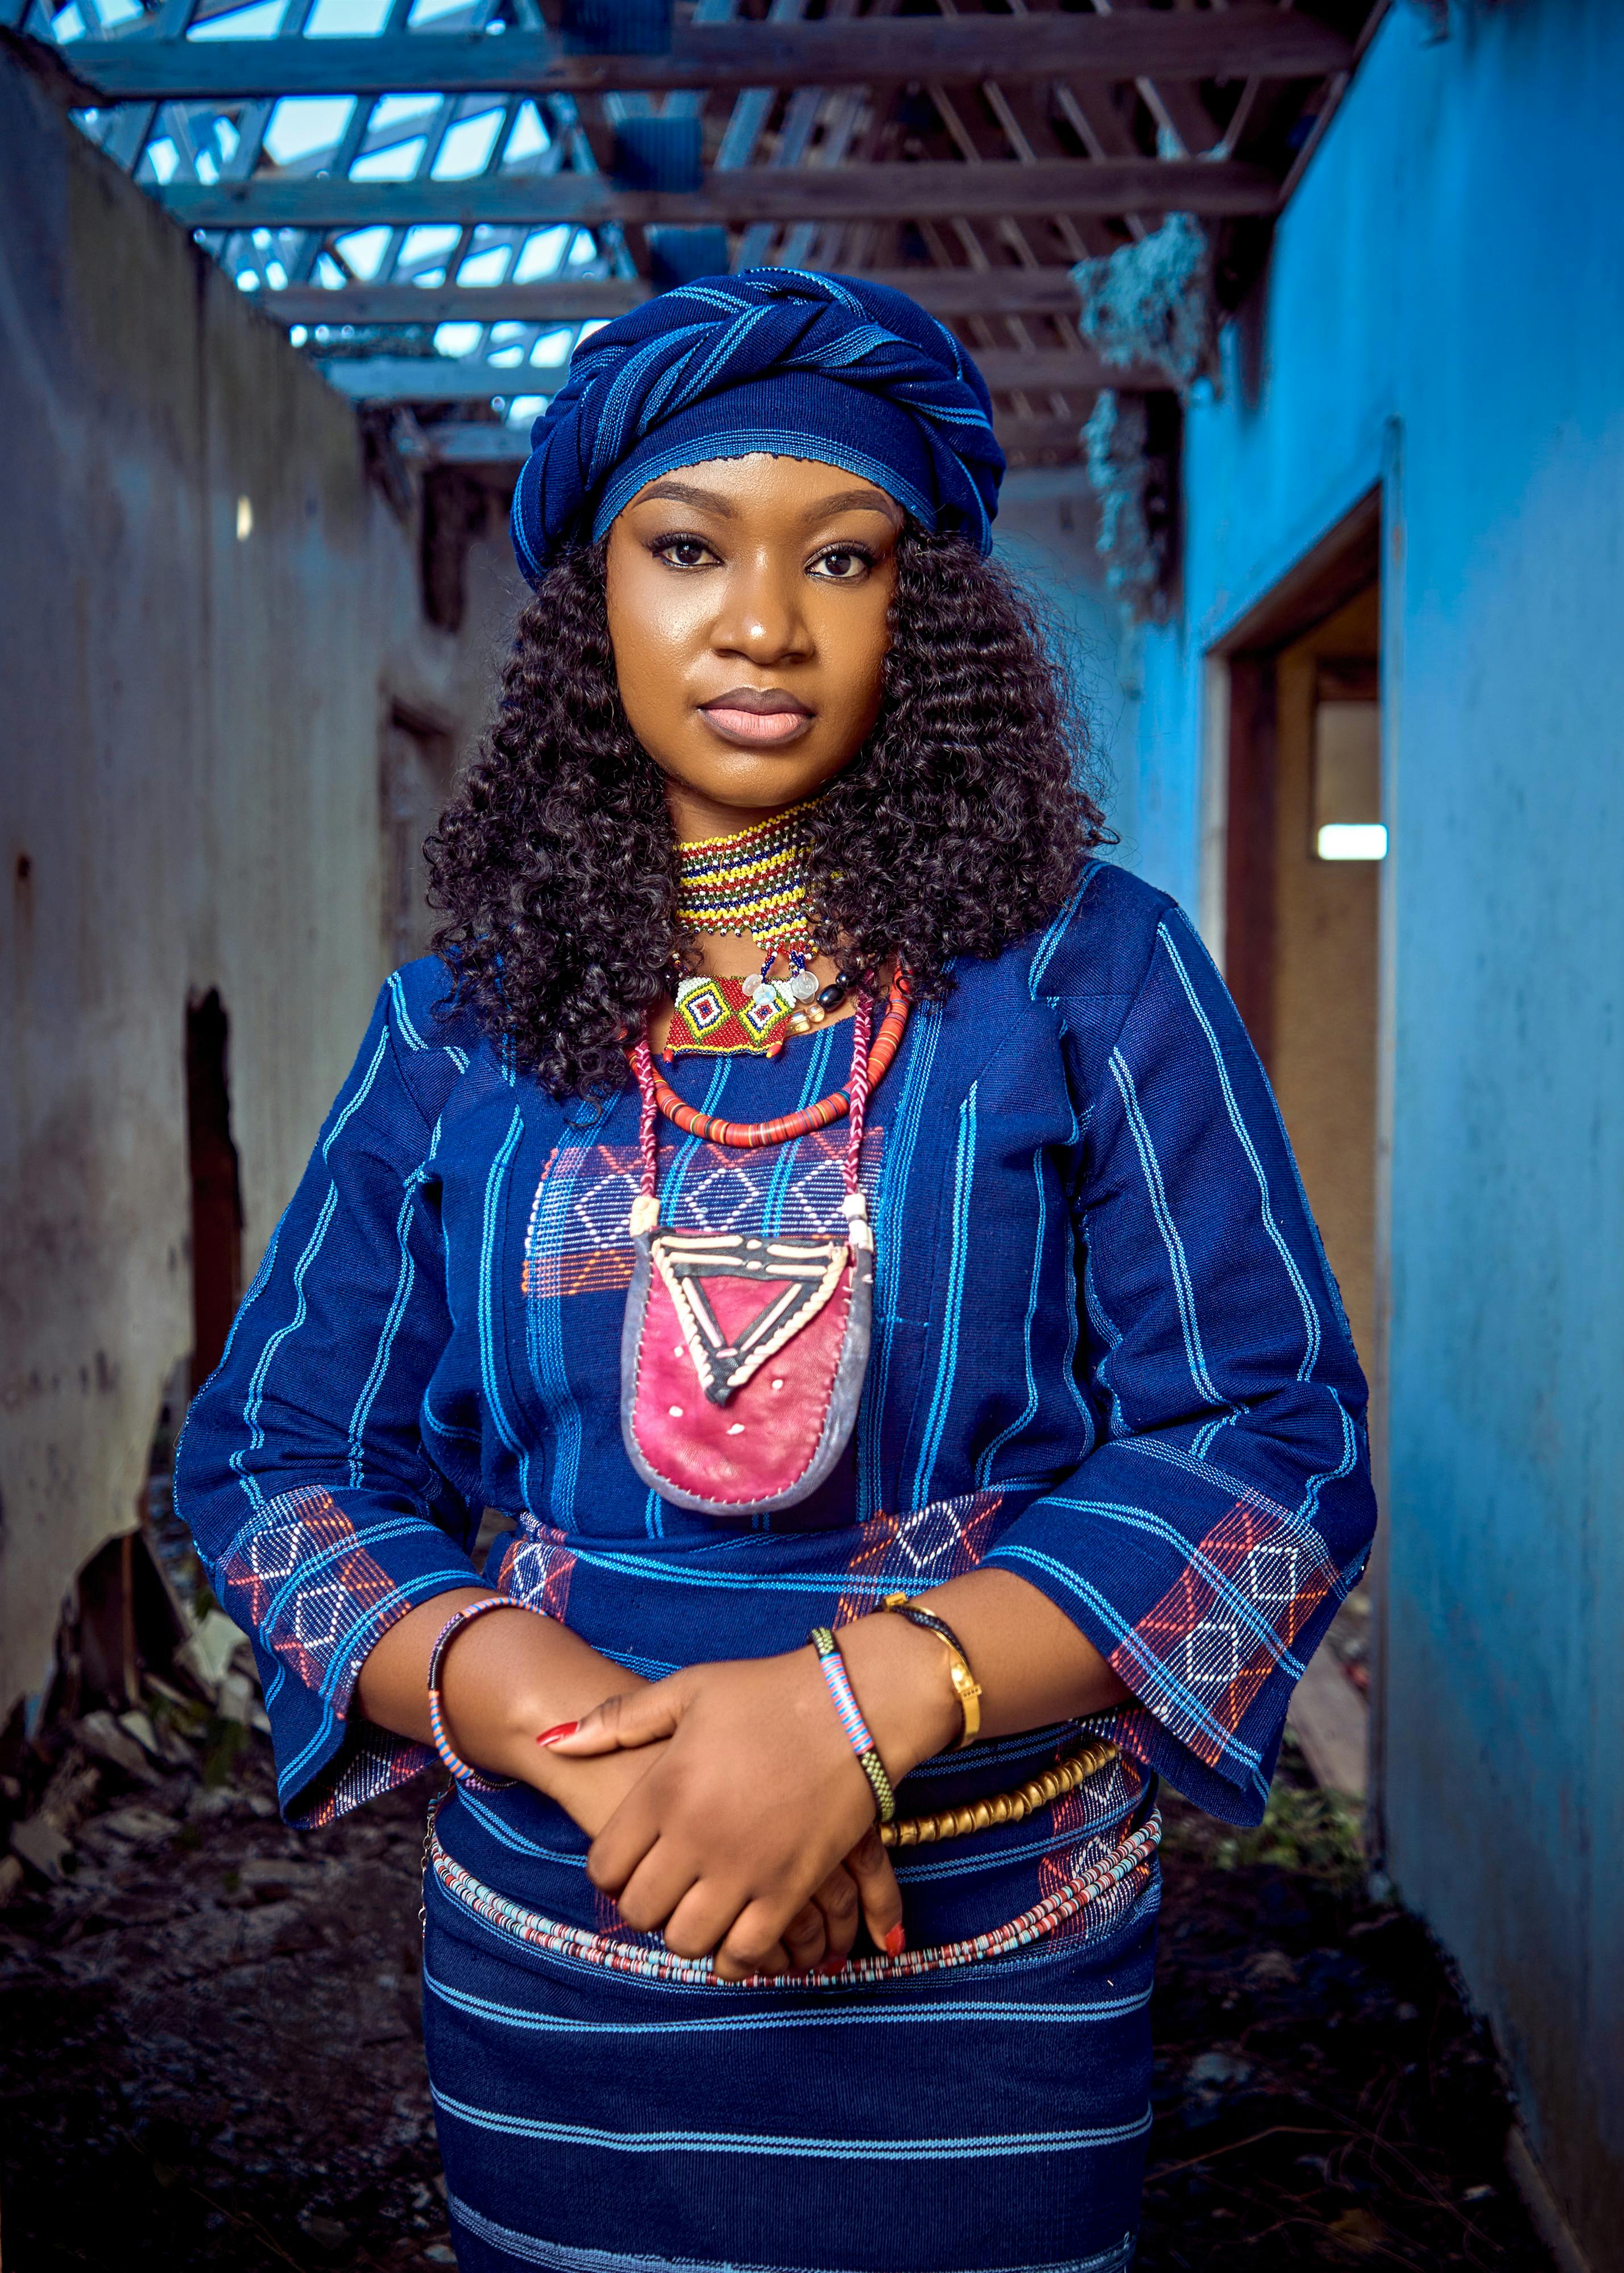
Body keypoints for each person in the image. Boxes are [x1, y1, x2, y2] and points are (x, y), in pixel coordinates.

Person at [176, 269, 1377, 2273]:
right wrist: (569, 1716)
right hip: (570, 1956)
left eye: (844, 556)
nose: (761, 621)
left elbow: (1273, 1439)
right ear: (594, 611)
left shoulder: (1092, 978)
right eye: (685, 548)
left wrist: (861, 1710)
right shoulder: (458, 1028)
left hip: (984, 1958)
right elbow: (274, 1463)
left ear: (932, 614)